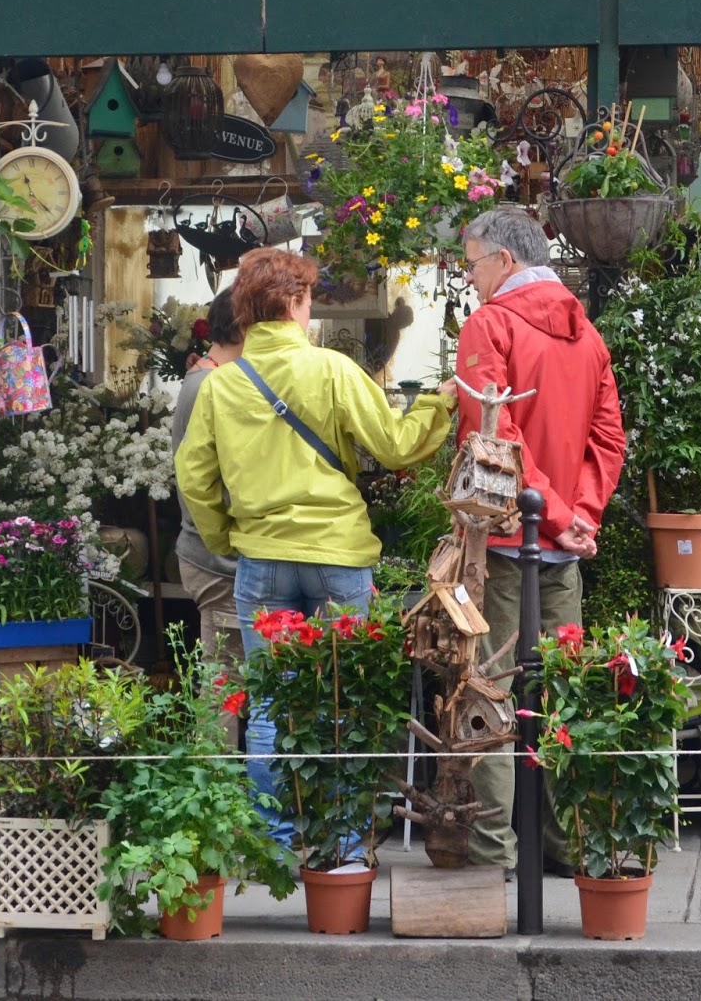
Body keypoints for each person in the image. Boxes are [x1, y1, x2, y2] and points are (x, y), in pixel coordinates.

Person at [175, 247, 458, 837]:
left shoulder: (221, 386)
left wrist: (229, 535)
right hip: (336, 559)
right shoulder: (330, 370)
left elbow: (194, 476)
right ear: (296, 303)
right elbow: (397, 445)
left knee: (270, 708)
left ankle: (276, 843)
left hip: (261, 562)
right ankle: (345, 844)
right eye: (307, 299)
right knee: (344, 704)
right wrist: (440, 402)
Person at [454, 207, 626, 877]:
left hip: (501, 548)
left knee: (489, 695)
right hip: (563, 550)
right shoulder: (587, 335)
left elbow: (494, 441)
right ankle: (571, 843)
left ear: (502, 260)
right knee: (565, 697)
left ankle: (492, 852)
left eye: (471, 264)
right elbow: (607, 438)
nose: (469, 279)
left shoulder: (488, 326)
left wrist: (550, 514)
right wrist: (580, 515)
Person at [171, 289, 244, 667]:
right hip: (216, 559)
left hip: (212, 554)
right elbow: (202, 480)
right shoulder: (207, 386)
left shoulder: (207, 377)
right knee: (224, 684)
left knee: (226, 681)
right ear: (247, 328)